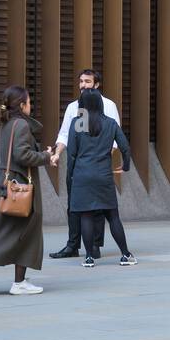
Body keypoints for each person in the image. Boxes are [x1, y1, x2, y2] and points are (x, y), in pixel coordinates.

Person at [0, 87, 54, 295]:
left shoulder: (8, 123)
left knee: (1, 227)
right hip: (20, 185)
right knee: (27, 232)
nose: (31, 105)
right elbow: (22, 155)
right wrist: (45, 156)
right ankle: (15, 281)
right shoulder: (22, 125)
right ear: (22, 104)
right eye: (29, 101)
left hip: (6, 182)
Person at [49, 69, 121, 259]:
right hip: (76, 164)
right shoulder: (74, 107)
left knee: (97, 209)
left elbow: (115, 138)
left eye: (87, 82)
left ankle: (94, 246)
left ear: (96, 84)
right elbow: (64, 133)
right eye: (81, 81)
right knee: (73, 206)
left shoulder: (108, 105)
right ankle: (72, 245)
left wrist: (101, 158)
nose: (83, 85)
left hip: (97, 165)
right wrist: (57, 154)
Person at [65, 88, 136, 266]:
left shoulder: (77, 123)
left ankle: (89, 258)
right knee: (113, 216)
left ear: (82, 105)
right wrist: (125, 166)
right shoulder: (111, 123)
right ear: (100, 104)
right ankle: (125, 254)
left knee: (86, 216)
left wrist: (72, 175)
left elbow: (71, 154)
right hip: (103, 175)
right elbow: (125, 148)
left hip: (82, 175)